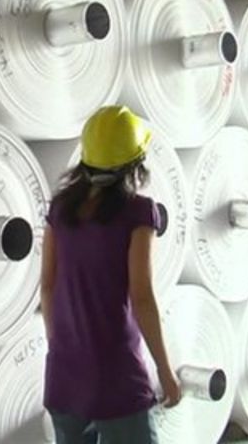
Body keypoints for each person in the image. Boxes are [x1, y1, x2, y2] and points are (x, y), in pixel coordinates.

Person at [40, 105, 181, 444]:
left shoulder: (60, 210)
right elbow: (142, 296)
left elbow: (47, 288)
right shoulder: (138, 213)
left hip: (64, 374)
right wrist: (165, 369)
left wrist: (61, 347)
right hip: (117, 375)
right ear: (135, 164)